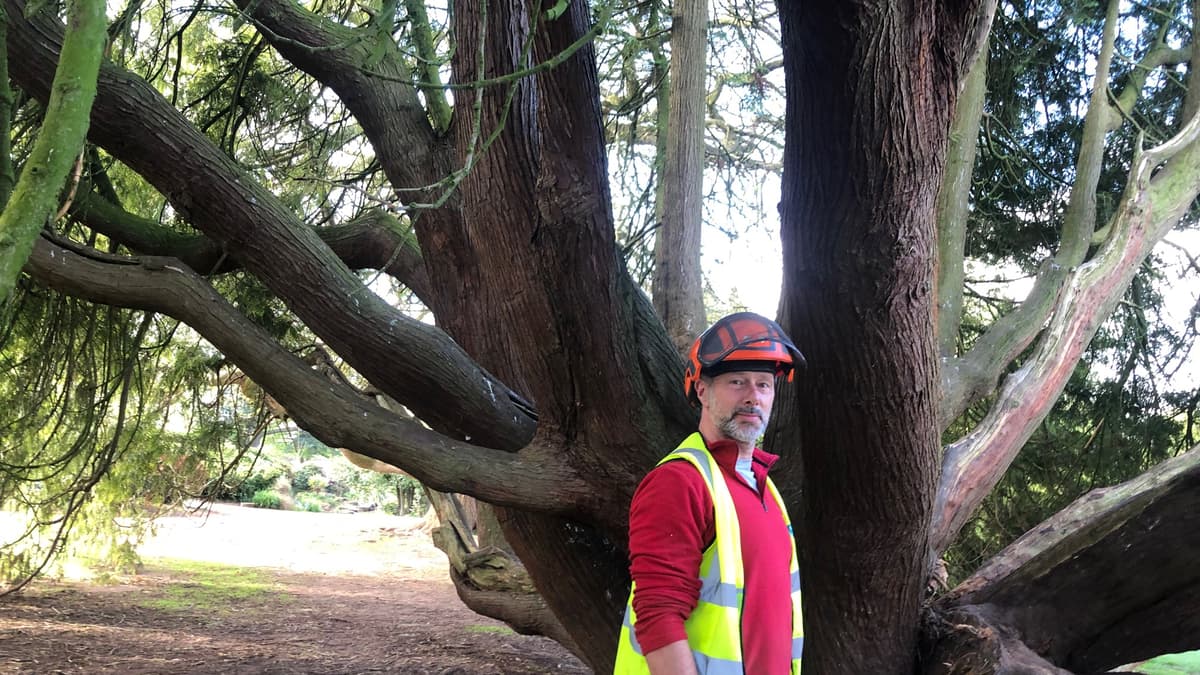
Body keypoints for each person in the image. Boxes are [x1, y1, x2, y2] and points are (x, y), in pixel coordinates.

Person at [614, 312, 805, 675]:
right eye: (737, 382)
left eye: (763, 385)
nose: (753, 397)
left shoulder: (763, 489)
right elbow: (658, 616)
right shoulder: (680, 482)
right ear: (701, 389)